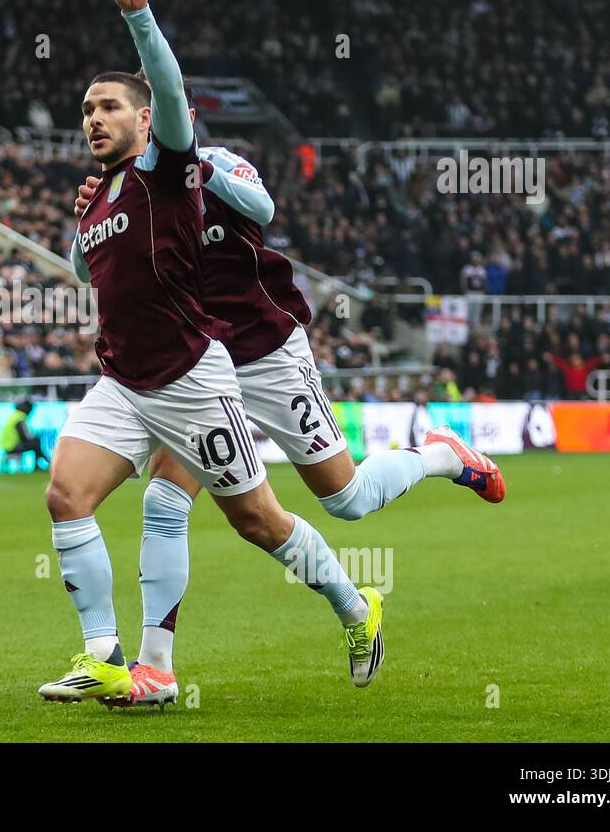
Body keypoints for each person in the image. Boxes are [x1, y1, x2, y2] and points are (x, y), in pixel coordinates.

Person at [71, 76, 506, 705]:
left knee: (346, 498)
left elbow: (263, 208)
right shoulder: (121, 192)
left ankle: (439, 457)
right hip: (192, 364)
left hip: (263, 353)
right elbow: (92, 266)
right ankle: (156, 668)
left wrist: (197, 164)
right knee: (167, 501)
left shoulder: (215, 163)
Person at [38, 0, 382, 707]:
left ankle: (356, 606)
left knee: (260, 521)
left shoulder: (170, 166)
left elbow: (169, 87)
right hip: (125, 377)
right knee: (67, 496)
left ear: (148, 118)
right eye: (87, 110)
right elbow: (84, 273)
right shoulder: (99, 195)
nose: (95, 118)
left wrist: (140, 18)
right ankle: (114, 660)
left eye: (109, 107)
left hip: (193, 376)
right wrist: (80, 223)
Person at [0, 399, 48, 469]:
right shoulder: (20, 417)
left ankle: (42, 459)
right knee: (36, 442)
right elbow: (24, 437)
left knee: (35, 442)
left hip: (6, 446)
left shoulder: (15, 415)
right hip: (12, 447)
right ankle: (40, 462)